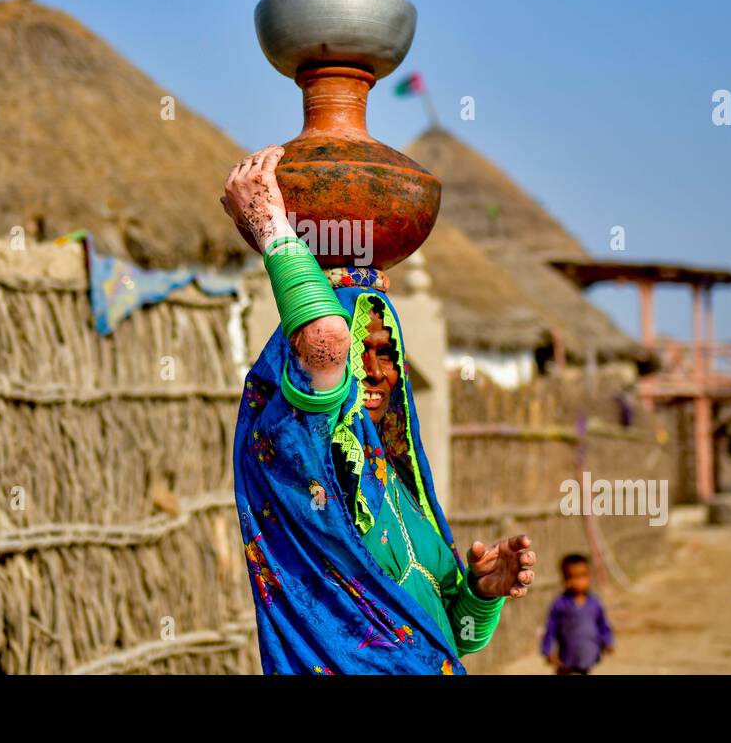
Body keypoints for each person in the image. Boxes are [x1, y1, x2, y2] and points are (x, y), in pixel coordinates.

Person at [223, 146, 535, 674]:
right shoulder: (298, 445)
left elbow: (447, 642)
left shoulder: (397, 487)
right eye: (357, 354)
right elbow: (325, 338)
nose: (373, 369)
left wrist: (483, 595)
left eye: (386, 353)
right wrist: (270, 226)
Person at [541, 553, 614, 675]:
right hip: (567, 654)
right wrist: (547, 650)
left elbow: (603, 624)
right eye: (572, 577)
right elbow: (551, 628)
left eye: (582, 576)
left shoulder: (595, 603)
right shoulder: (560, 604)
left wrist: (607, 641)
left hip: (588, 651)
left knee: (585, 669)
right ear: (565, 579)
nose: (578, 581)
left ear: (589, 577)